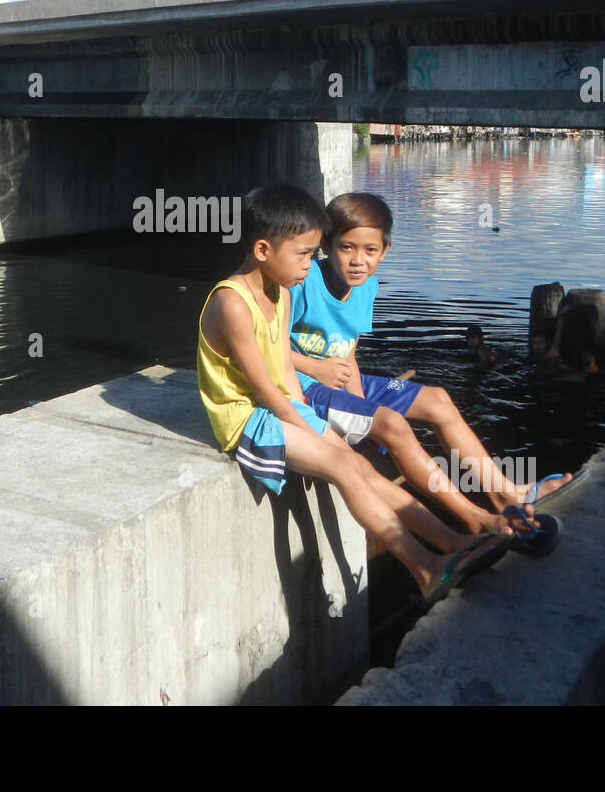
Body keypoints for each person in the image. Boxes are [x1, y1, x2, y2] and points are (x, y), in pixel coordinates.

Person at [197, 183, 510, 603]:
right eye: (305, 253)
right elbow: (262, 386)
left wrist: (307, 413)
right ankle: (425, 568)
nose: (312, 263)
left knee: (355, 464)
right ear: (262, 250)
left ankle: (451, 540)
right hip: (247, 421)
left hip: (282, 407)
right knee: (346, 467)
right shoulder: (232, 303)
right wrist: (306, 424)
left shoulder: (280, 292)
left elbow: (285, 375)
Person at [289, 192, 583, 539]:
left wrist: (361, 403)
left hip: (340, 378)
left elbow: (348, 350)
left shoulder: (367, 287)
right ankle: (471, 518)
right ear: (327, 244)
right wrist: (314, 368)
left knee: (438, 400)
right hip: (305, 388)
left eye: (370, 251)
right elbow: (267, 345)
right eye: (346, 247)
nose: (358, 261)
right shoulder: (303, 283)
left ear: (385, 250)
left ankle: (506, 493)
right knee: (394, 426)